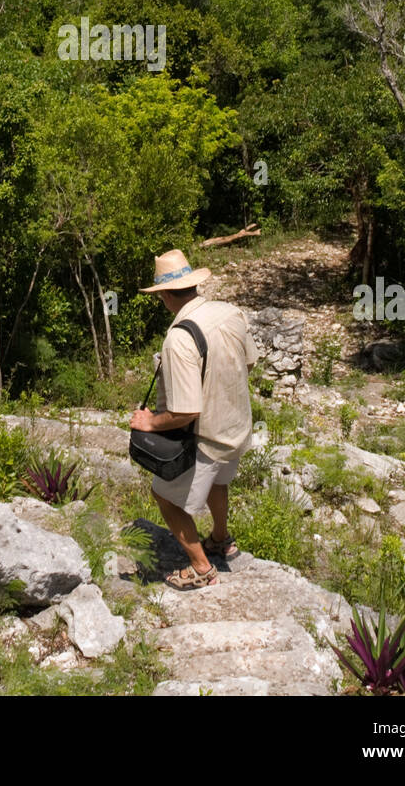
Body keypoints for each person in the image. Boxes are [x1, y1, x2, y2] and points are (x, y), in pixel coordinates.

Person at [130, 248, 258, 590]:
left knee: (164, 496)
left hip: (208, 436)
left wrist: (148, 422)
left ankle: (201, 567)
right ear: (193, 285)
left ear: (165, 296)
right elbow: (249, 362)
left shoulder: (179, 338)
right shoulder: (230, 313)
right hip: (237, 426)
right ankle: (220, 539)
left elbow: (185, 412)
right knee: (219, 482)